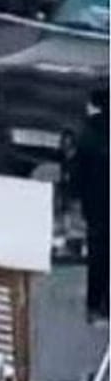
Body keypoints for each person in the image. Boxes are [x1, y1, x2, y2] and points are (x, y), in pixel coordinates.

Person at [73, 89, 108, 321]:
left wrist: (76, 198)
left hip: (97, 206)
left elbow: (79, 173)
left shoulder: (89, 134)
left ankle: (94, 304)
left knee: (97, 255)